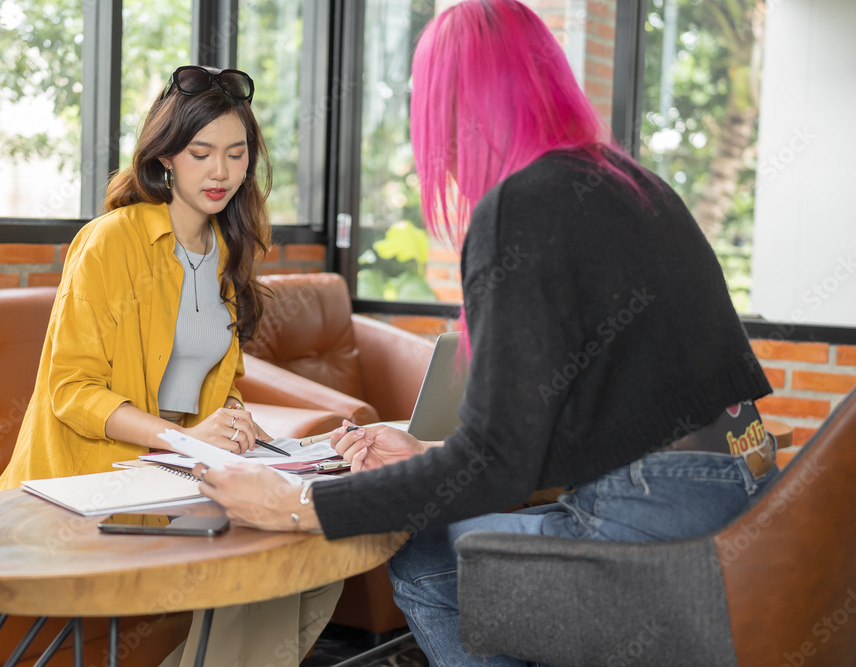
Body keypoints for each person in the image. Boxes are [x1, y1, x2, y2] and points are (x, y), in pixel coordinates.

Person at [195, 1, 780, 665]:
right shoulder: (631, 183)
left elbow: (498, 468)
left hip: (652, 525)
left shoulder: (523, 204)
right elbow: (572, 421)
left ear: (451, 107)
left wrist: (300, 501)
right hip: (744, 495)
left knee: (420, 548)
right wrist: (427, 452)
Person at [0, 65, 341, 667]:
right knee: (279, 542)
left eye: (236, 155)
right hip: (96, 483)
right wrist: (184, 440)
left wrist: (236, 423)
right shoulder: (110, 242)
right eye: (201, 152)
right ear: (166, 159)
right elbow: (71, 391)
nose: (221, 172)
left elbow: (217, 380)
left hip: (182, 472)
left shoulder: (226, 253)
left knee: (324, 538)